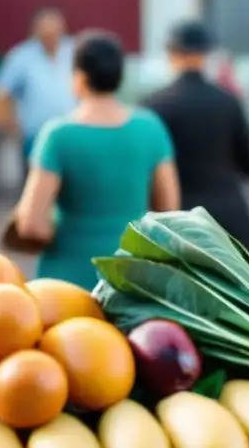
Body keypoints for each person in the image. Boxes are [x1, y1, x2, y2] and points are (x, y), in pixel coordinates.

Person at [14, 31, 180, 289]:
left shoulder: (58, 135)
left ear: (79, 77)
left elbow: (31, 224)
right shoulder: (150, 127)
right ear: (119, 77)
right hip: (131, 277)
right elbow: (169, 210)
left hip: (66, 282)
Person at [143, 21, 249, 259]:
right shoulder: (228, 101)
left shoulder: (153, 106)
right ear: (206, 53)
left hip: (177, 220)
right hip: (229, 217)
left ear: (171, 54)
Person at [0, 8, 77, 165]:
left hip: (73, 132)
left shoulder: (75, 51)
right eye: (45, 33)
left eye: (54, 32)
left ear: (63, 29)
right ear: (35, 32)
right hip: (36, 136)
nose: (50, 37)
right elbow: (1, 92)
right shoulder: (21, 56)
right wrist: (10, 123)